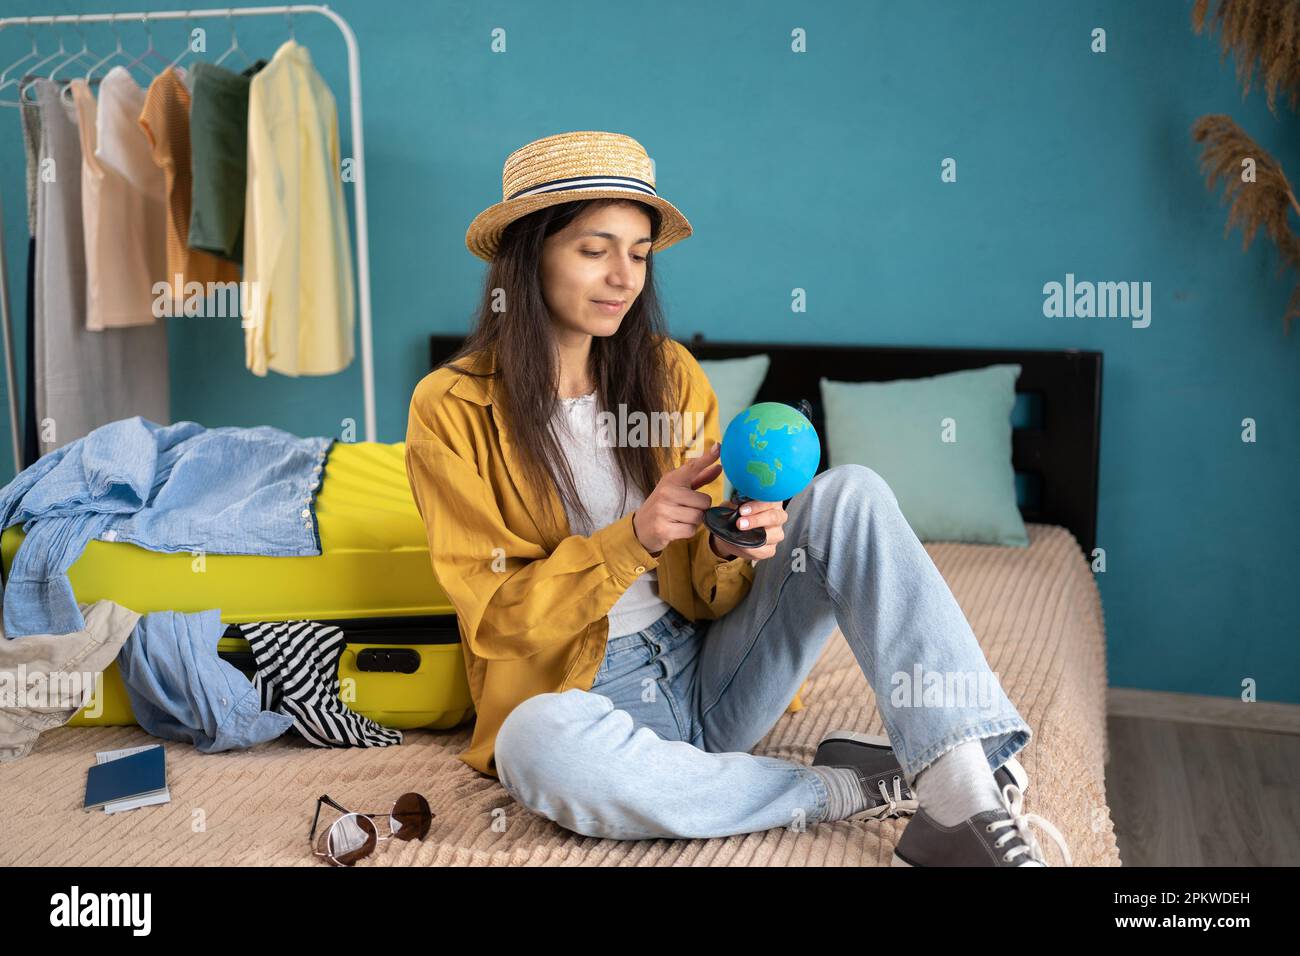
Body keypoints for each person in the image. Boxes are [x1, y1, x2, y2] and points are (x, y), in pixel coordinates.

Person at [404, 131, 1071, 866]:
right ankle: (847, 786)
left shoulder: (668, 375)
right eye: (595, 250)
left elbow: (714, 599)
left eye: (639, 252)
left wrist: (726, 544)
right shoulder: (452, 407)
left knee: (850, 492)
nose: (623, 276)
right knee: (532, 744)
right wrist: (637, 535)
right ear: (528, 256)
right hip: (578, 699)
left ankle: (962, 798)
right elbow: (497, 621)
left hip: (712, 678)